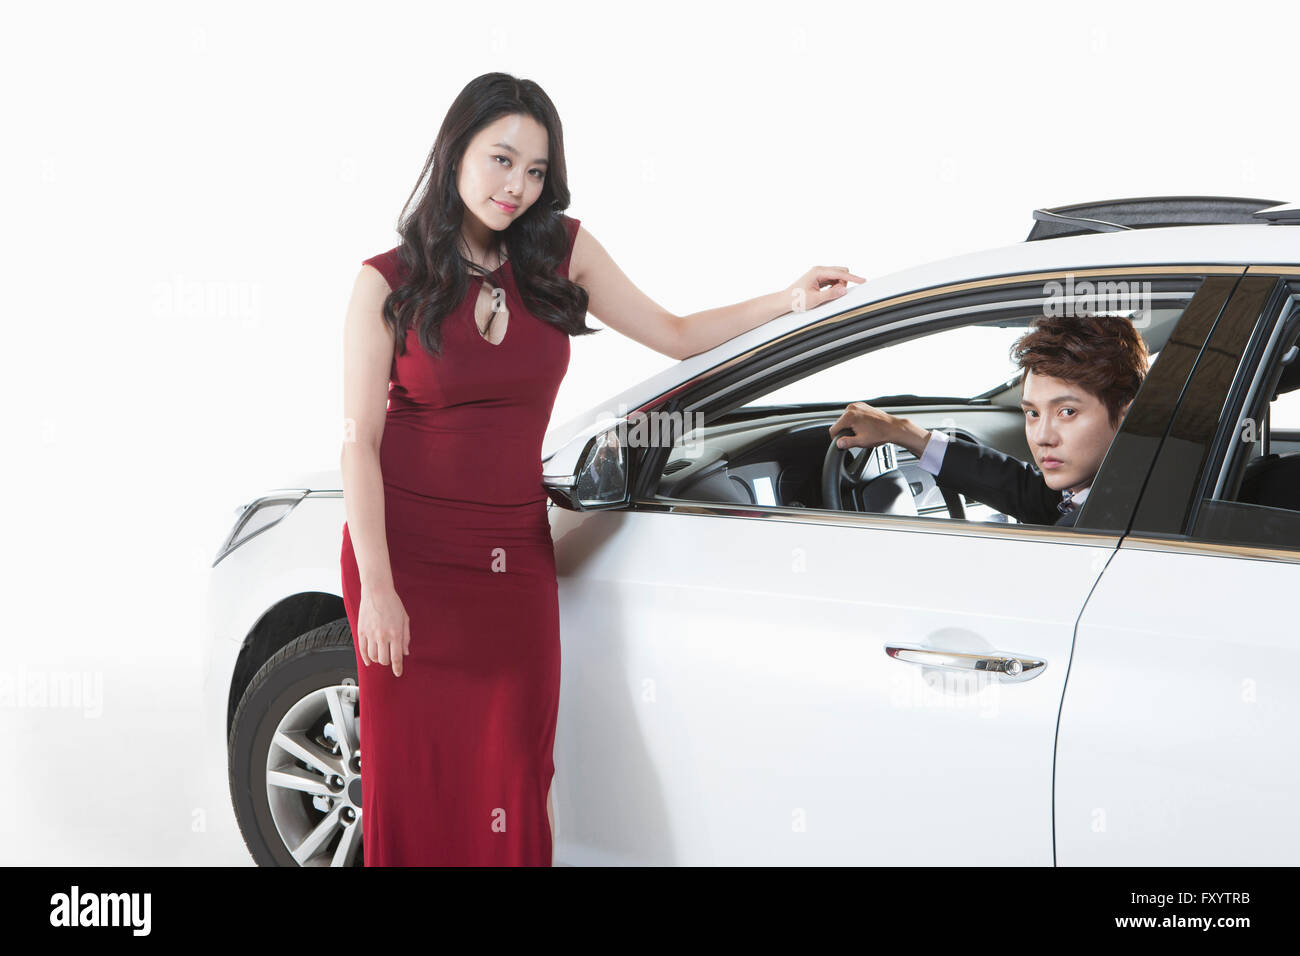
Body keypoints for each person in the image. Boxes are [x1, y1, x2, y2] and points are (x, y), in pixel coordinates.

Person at [339, 72, 866, 866]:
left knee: (515, 773)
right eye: (501, 160)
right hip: (404, 559)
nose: (518, 186)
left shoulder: (560, 251)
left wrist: (787, 300)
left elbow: (676, 333)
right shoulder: (385, 281)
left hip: (510, 559)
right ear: (454, 153)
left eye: (536, 170)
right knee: (414, 776)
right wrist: (378, 589)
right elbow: (357, 443)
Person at [828, 313, 1150, 527]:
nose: (1042, 436)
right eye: (1033, 413)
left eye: (1067, 412)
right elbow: (1023, 489)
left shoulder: (1116, 523)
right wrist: (904, 432)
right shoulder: (1100, 491)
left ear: (1127, 414)